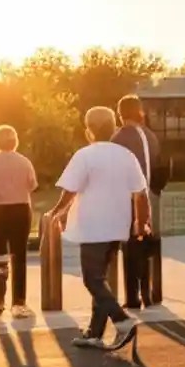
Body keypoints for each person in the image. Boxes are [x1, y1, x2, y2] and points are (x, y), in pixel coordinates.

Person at [48, 106, 151, 351]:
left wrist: (57, 211)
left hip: (93, 226)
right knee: (100, 279)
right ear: (114, 128)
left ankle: (122, 320)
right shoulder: (127, 156)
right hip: (118, 225)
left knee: (92, 279)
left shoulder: (85, 155)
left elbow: (70, 189)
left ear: (88, 132)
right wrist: (141, 221)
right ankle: (94, 333)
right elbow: (141, 194)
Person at [112, 94, 168, 310]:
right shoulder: (151, 136)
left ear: (120, 113)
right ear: (139, 111)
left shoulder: (118, 138)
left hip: (129, 199)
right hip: (151, 196)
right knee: (146, 245)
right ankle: (149, 293)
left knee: (130, 248)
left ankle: (132, 296)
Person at [0, 124, 38, 319]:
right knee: (19, 256)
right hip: (20, 209)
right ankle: (19, 303)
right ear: (15, 141)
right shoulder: (24, 162)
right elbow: (32, 185)